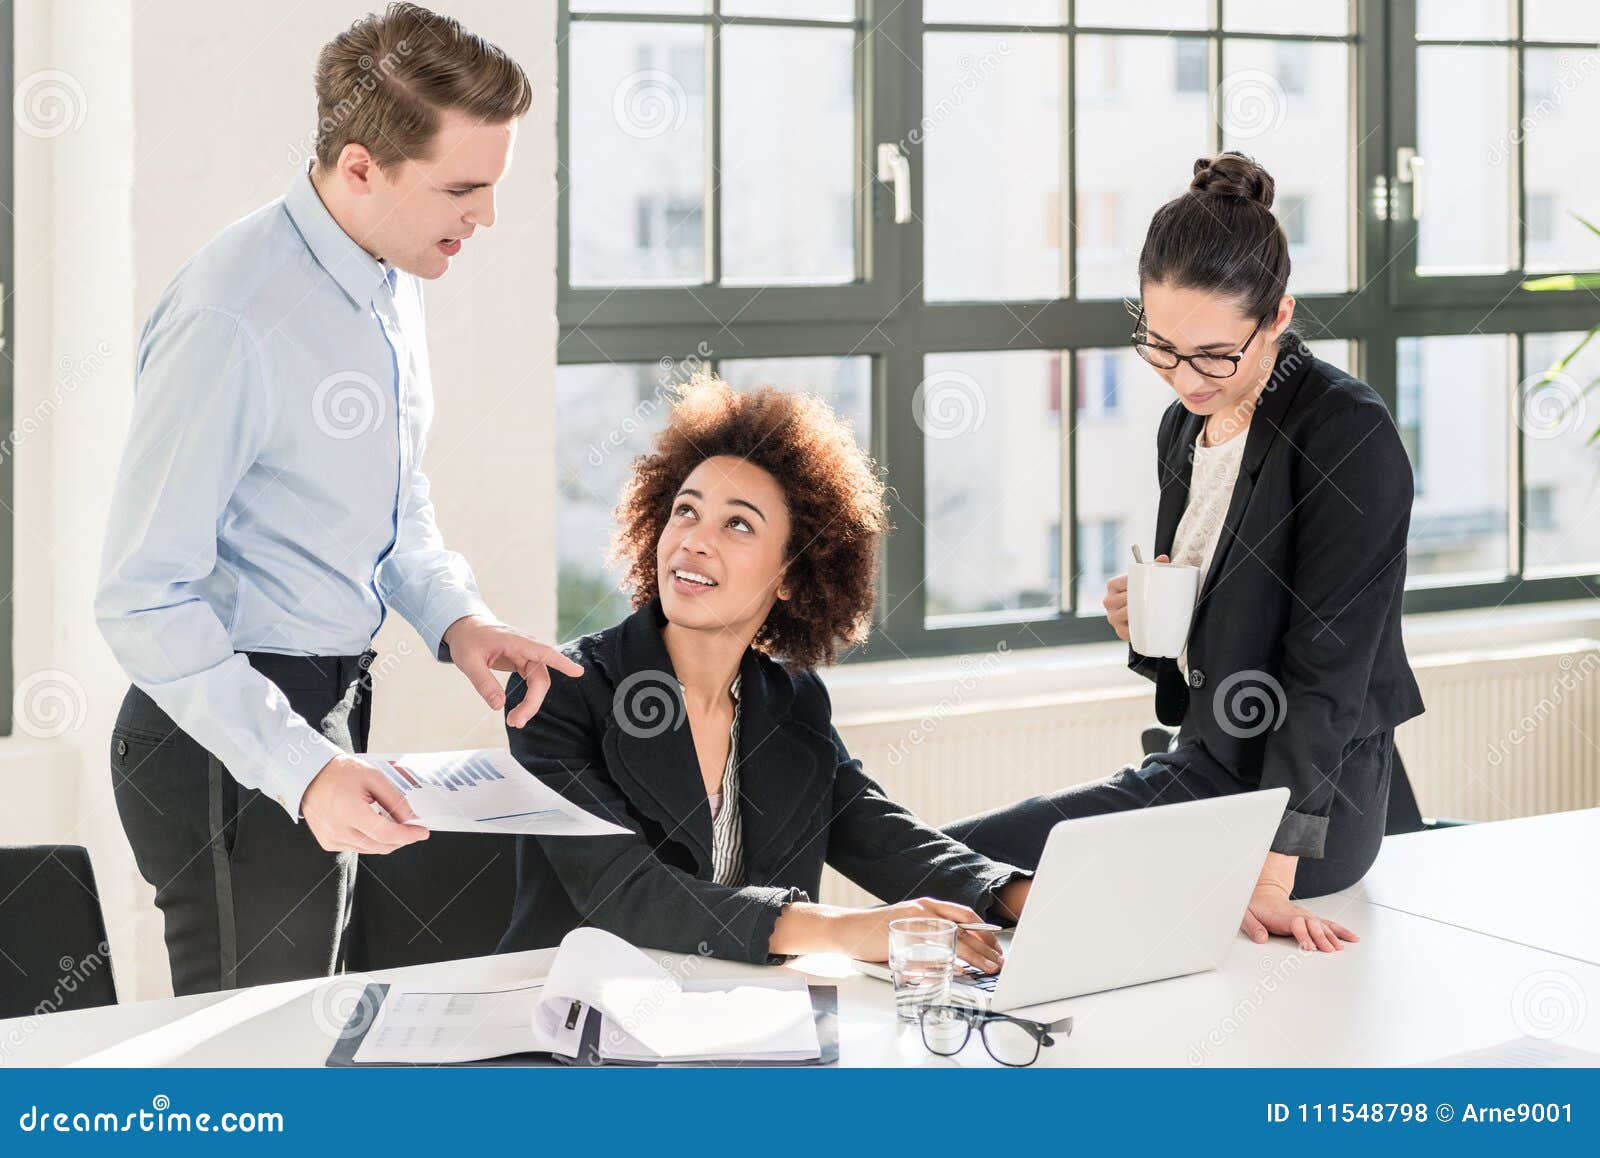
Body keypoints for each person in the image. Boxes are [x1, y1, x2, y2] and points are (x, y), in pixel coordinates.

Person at [95, 3, 580, 996]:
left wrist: (461, 622)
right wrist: (300, 768)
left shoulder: (388, 276)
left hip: (326, 713)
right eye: (462, 187)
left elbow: (394, 514)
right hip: (224, 741)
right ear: (359, 168)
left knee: (313, 1037)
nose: (484, 217)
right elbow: (141, 598)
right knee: (255, 1072)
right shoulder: (235, 315)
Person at [945, 152, 1425, 955]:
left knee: (958, 871)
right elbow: (1209, 628)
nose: (1184, 378)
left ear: (1277, 317)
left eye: (1212, 355)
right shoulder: (1183, 429)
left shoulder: (1346, 434)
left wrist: (1271, 874)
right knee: (945, 863)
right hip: (1203, 767)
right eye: (1160, 347)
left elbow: (1328, 675)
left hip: (1305, 811)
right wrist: (1145, 623)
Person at [497, 374, 1031, 968]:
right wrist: (844, 930)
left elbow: (872, 829)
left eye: (738, 524)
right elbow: (626, 894)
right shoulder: (559, 690)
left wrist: (1011, 895)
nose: (695, 540)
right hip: (572, 1021)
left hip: (737, 1017)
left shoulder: (791, 699)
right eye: (686, 511)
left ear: (791, 576)